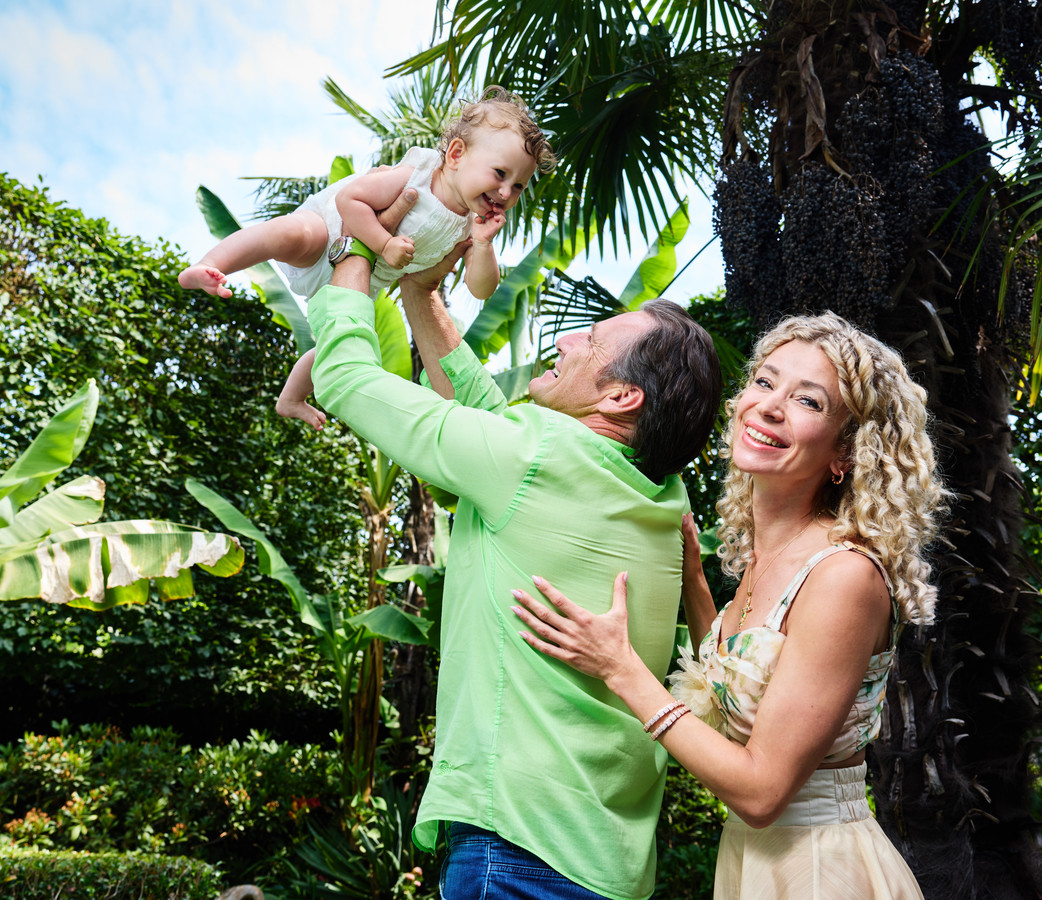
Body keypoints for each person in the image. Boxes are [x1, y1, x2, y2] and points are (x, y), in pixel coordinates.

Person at [306, 186, 724, 899]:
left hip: (517, 857)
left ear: (623, 399)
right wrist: (420, 287)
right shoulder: (659, 492)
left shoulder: (528, 460)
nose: (567, 339)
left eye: (591, 343)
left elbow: (343, 377)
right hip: (610, 866)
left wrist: (353, 248)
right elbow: (486, 412)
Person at [511, 312, 949, 900]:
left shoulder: (844, 576)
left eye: (809, 402)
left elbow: (763, 792)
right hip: (752, 863)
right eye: (765, 383)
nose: (769, 406)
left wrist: (622, 669)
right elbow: (738, 681)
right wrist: (694, 580)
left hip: (820, 869)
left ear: (847, 453)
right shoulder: (767, 561)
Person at [178, 85, 555, 429]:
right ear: (456, 155)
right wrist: (383, 244)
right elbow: (350, 200)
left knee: (344, 342)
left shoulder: (473, 225)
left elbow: (481, 289)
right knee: (287, 234)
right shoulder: (417, 176)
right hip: (328, 232)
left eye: (518, 185)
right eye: (500, 173)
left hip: (360, 283)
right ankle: (209, 265)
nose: (506, 191)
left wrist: (485, 246)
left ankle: (291, 397)